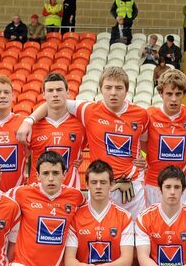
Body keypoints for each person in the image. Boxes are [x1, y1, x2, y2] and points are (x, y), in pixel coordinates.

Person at [20, 66, 151, 219]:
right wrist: (29, 121)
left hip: (131, 185)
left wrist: (142, 161)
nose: (113, 92)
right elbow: (54, 102)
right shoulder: (88, 110)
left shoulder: (141, 115)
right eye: (108, 87)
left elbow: (146, 144)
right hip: (100, 183)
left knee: (135, 234)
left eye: (118, 88)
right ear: (101, 89)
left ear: (126, 90)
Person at [144, 69, 186, 207]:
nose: (174, 99)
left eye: (178, 94)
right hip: (153, 184)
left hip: (181, 185)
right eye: (169, 94)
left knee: (182, 227)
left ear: (184, 94)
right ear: (160, 93)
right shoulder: (149, 115)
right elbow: (142, 143)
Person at [27, 72, 86, 190]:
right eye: (50, 90)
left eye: (59, 90)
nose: (55, 94)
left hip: (70, 192)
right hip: (37, 193)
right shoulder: (31, 126)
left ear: (67, 92)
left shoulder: (82, 125)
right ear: (43, 94)